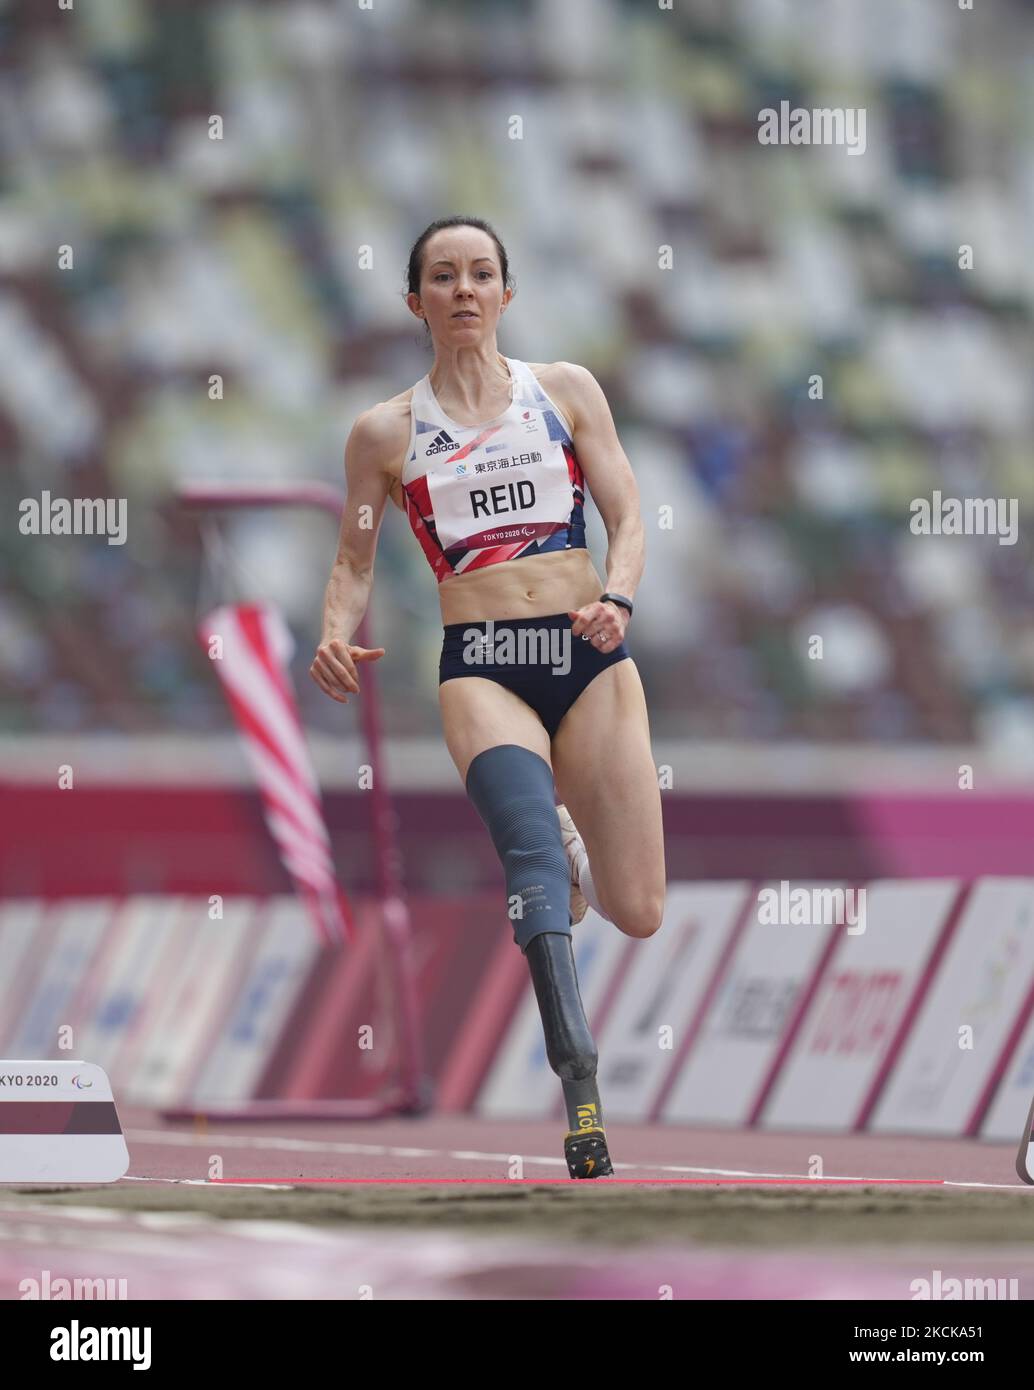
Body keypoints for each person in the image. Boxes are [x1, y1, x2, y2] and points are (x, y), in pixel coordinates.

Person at [311, 215, 666, 1176]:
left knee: (637, 909)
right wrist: (333, 631)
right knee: (528, 863)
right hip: (483, 661)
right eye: (442, 277)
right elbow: (352, 558)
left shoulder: (564, 392)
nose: (463, 290)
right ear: (415, 301)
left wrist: (621, 597)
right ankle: (580, 1093)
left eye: (480, 275)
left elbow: (629, 513)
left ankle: (579, 848)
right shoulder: (385, 432)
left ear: (507, 294)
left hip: (589, 653)